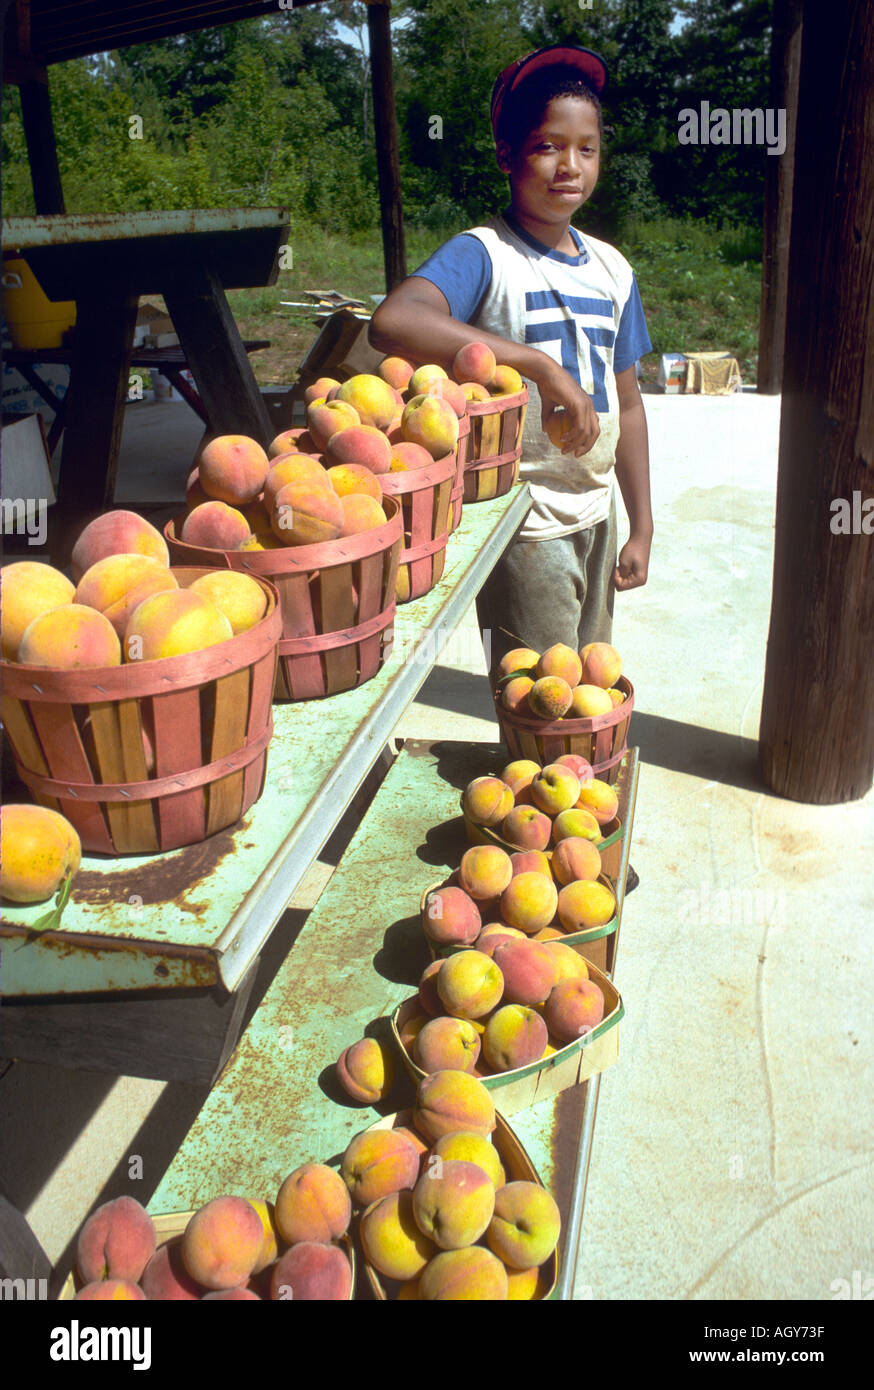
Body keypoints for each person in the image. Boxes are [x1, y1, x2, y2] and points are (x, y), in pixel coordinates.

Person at [368, 43, 654, 683]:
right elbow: (393, 321)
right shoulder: (485, 253)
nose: (569, 166)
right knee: (541, 701)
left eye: (588, 148)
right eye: (547, 146)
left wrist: (643, 525)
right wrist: (539, 367)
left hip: (597, 513)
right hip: (523, 522)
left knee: (590, 690)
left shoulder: (614, 269)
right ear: (505, 155)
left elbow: (628, 406)